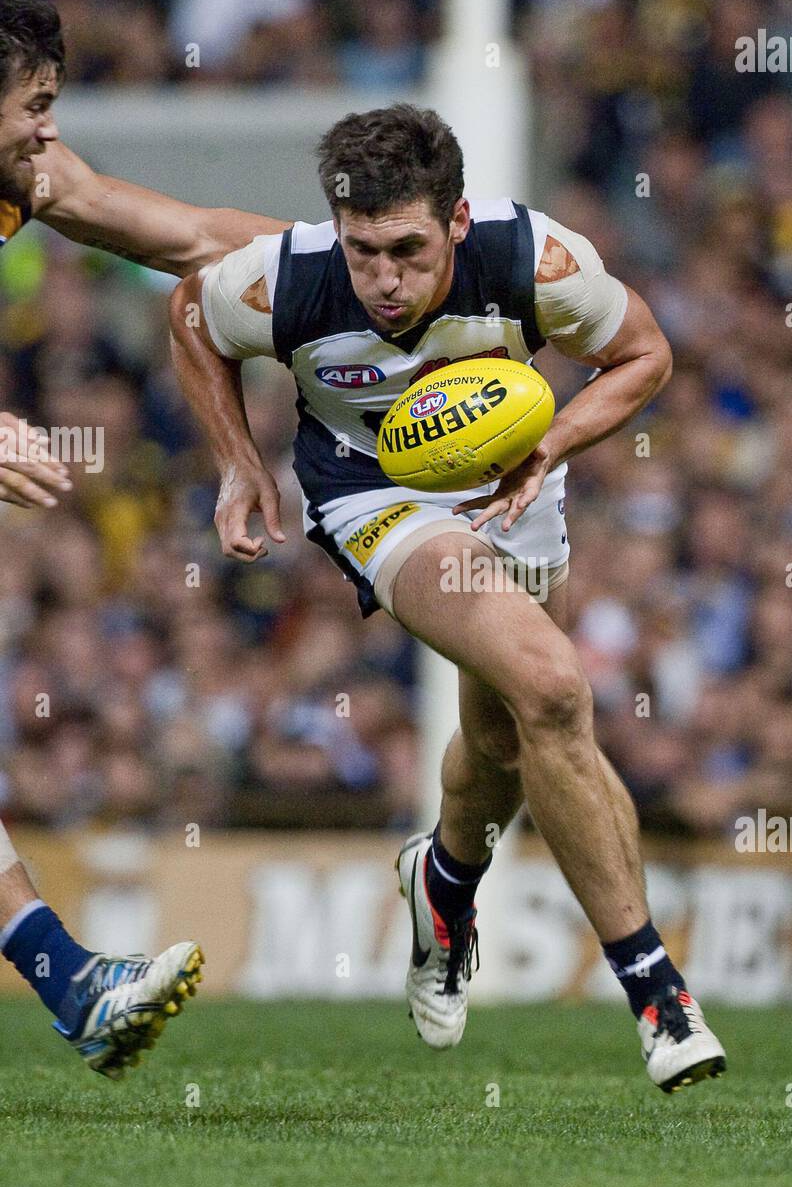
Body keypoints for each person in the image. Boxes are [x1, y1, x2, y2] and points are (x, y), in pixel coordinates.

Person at [169, 103, 727, 1093]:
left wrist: (550, 443)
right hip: (375, 498)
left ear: (457, 222)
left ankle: (442, 881)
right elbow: (188, 318)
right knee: (552, 687)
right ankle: (656, 991)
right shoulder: (282, 276)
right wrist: (236, 464)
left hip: (514, 481)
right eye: (363, 250)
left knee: (508, 739)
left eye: (408, 250)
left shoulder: (535, 259)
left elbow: (644, 354)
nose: (384, 280)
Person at [0, 0, 289, 1077]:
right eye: (35, 103)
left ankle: (70, 982)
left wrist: (336, 272)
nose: (49, 126)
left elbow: (192, 236)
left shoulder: (28, 176)